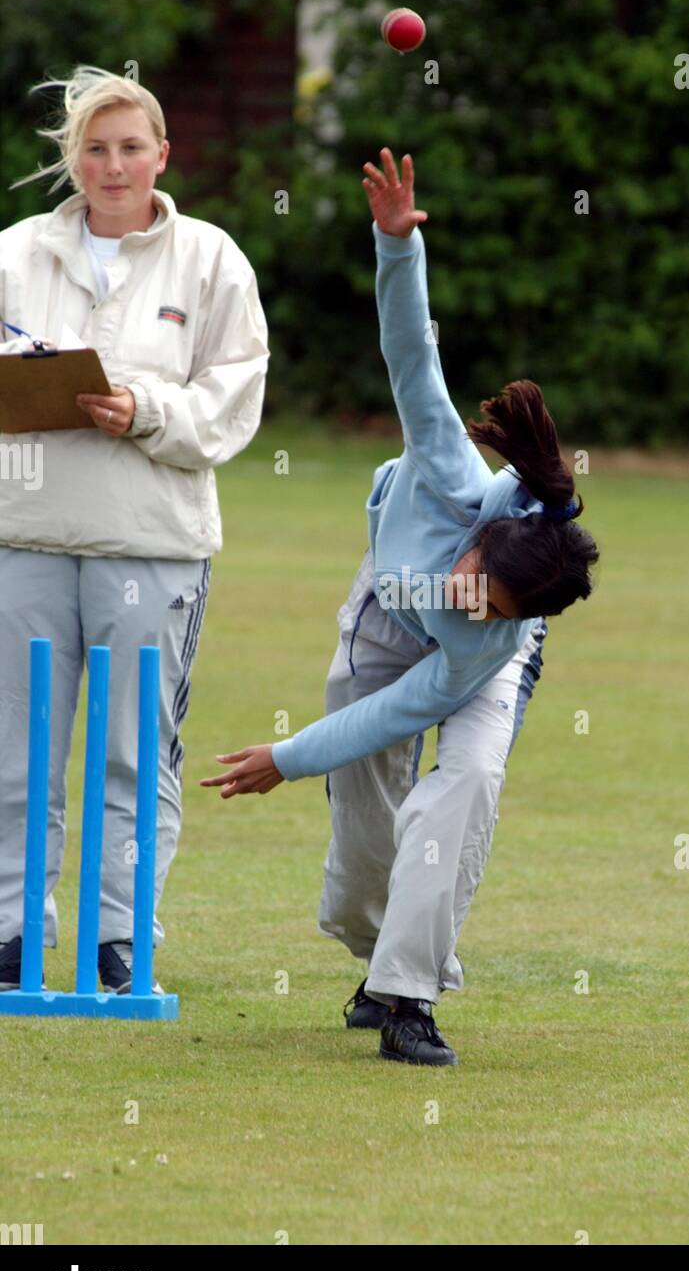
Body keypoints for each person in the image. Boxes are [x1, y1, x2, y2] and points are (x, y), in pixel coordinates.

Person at [201, 148, 598, 1066]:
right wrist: (395, 247)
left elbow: (405, 708)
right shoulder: (449, 472)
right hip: (383, 607)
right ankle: (376, 955)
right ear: (482, 533)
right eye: (475, 578)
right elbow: (412, 353)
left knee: (462, 790)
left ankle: (408, 998)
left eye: (488, 604)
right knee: (361, 848)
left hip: (471, 670)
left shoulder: (487, 640)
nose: (469, 598)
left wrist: (285, 757)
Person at [0, 65, 269, 994]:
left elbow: (233, 404)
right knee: (17, 748)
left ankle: (119, 941)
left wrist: (141, 409)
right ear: (72, 158)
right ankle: (12, 936)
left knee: (132, 751)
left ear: (162, 154)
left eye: (129, 149)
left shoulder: (211, 259)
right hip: (23, 533)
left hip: (151, 546)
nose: (112, 167)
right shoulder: (17, 253)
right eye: (94, 149)